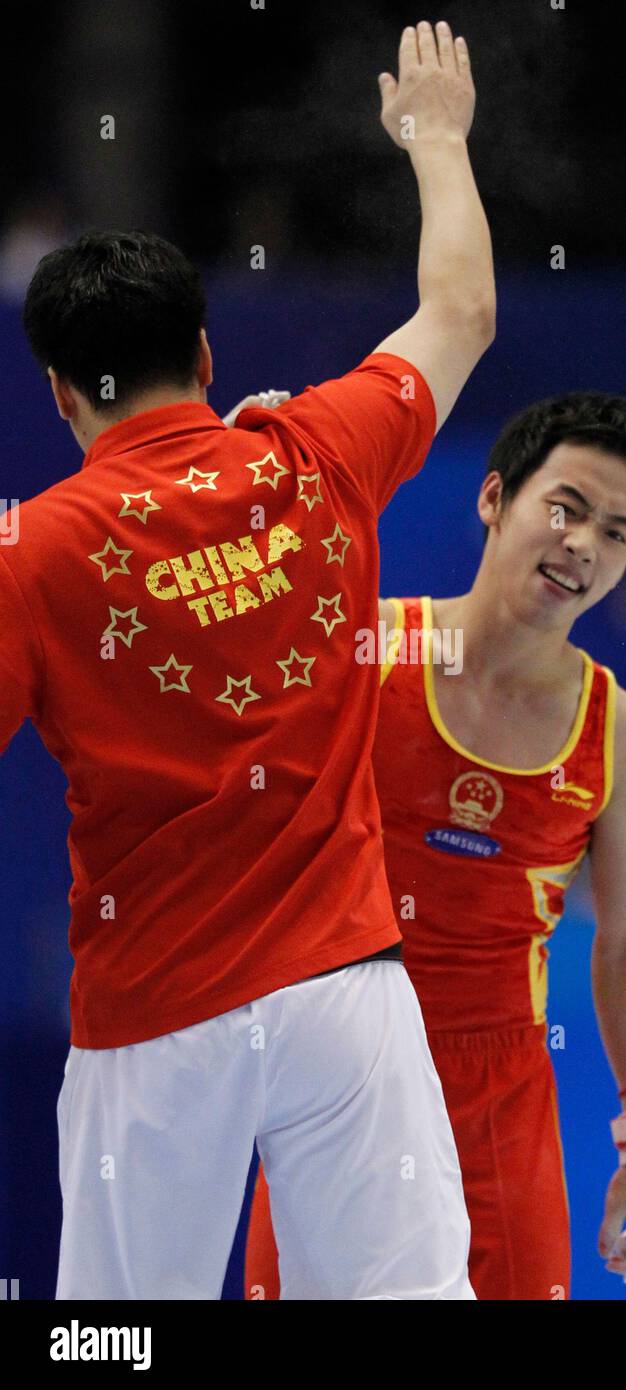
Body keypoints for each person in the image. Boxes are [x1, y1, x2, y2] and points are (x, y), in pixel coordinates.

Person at [0, 20, 495, 1299]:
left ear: (61, 393)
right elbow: (462, 311)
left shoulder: (30, 554)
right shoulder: (318, 449)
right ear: (205, 358)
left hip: (154, 1026)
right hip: (346, 995)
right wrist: (436, 139)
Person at [243, 391, 626, 1300]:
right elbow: (219, 653)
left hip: (496, 1089)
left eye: (615, 533)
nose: (581, 545)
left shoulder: (624, 737)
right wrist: (256, 484)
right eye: (563, 507)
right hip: (334, 1070)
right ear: (494, 499)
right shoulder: (364, 648)